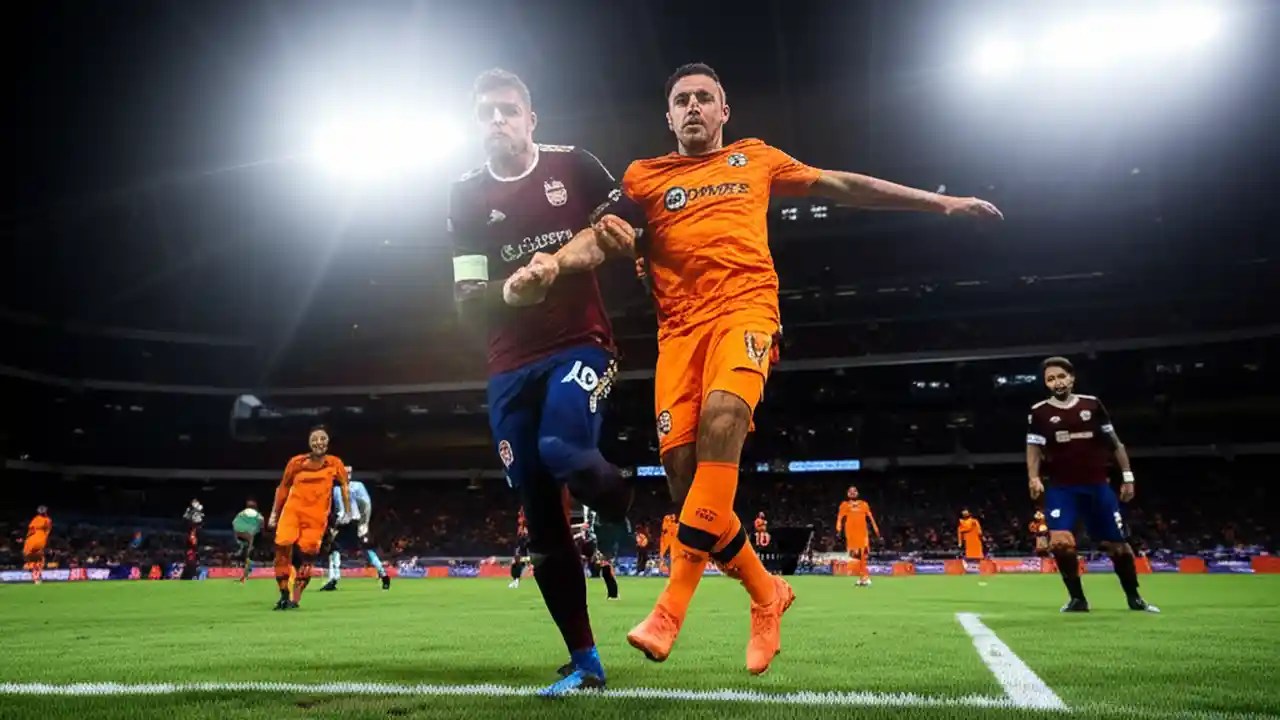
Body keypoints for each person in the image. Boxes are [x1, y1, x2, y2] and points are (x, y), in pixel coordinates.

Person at [509, 61, 1002, 674]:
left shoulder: (756, 158)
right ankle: (767, 593)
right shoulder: (643, 178)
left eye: (704, 99)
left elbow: (840, 187)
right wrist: (557, 263)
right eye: (682, 100)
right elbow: (607, 234)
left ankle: (672, 605)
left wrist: (942, 203)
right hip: (678, 333)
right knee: (688, 490)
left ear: (724, 112)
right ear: (668, 116)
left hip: (745, 311)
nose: (693, 107)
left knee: (724, 417)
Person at [448, 68, 632, 694]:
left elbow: (619, 227)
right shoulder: (466, 196)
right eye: (485, 114)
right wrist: (510, 289)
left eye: (507, 110)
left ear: (531, 119)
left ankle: (615, 513)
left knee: (563, 449)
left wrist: (559, 262)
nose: (496, 121)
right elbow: (468, 298)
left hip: (581, 345)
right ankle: (585, 661)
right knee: (540, 518)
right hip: (507, 367)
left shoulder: (574, 166)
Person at [1027, 356, 1159, 613]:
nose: (1057, 382)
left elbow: (1115, 443)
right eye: (1051, 379)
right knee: (1060, 544)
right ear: (1046, 384)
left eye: (1061, 377)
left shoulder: (1092, 405)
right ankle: (1078, 599)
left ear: (1072, 378)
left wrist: (1128, 476)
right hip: (1062, 488)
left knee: (1118, 548)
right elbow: (1033, 446)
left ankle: (1134, 598)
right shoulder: (1039, 412)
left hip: (1098, 486)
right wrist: (1033, 476)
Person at [268, 426, 351, 611]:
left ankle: (295, 599)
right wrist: (274, 513)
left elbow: (345, 486)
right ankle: (283, 595)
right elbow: (282, 488)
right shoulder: (296, 462)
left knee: (307, 557)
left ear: (328, 442)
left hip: (316, 518)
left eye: (322, 439)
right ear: (309, 442)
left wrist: (347, 511)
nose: (319, 442)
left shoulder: (334, 463)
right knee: (282, 547)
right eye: (315, 439)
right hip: (292, 512)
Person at [320, 469, 390, 592]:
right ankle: (334, 578)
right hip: (342, 523)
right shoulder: (336, 490)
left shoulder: (357, 486)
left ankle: (383, 574)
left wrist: (364, 524)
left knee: (366, 550)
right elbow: (337, 509)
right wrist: (335, 524)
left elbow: (366, 504)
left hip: (354, 522)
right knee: (334, 549)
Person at [836, 486, 880, 587]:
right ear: (847, 494)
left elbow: (870, 517)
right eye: (850, 491)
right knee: (857, 558)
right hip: (851, 535)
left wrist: (876, 529)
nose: (852, 493)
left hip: (862, 534)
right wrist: (838, 529)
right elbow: (839, 517)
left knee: (863, 555)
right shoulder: (844, 505)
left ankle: (866, 578)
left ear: (858, 493)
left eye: (854, 491)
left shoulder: (864, 504)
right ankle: (862, 578)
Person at [232, 500, 264, 584]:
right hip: (249, 534)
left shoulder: (241, 513)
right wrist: (259, 529)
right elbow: (261, 522)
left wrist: (236, 536)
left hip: (239, 532)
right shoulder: (257, 514)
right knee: (249, 554)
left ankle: (242, 549)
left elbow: (234, 522)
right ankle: (247, 555)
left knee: (247, 552)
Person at [24, 506, 52, 585]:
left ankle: (35, 578)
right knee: (39, 560)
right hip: (39, 542)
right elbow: (47, 533)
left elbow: (30, 531)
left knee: (32, 561)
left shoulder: (35, 520)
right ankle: (37, 577)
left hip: (30, 542)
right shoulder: (48, 520)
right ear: (46, 512)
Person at [510, 507, 530, 589]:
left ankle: (516, 581)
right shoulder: (521, 528)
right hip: (520, 548)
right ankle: (516, 581)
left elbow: (525, 540)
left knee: (517, 564)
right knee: (516, 565)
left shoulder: (525, 528)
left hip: (523, 550)